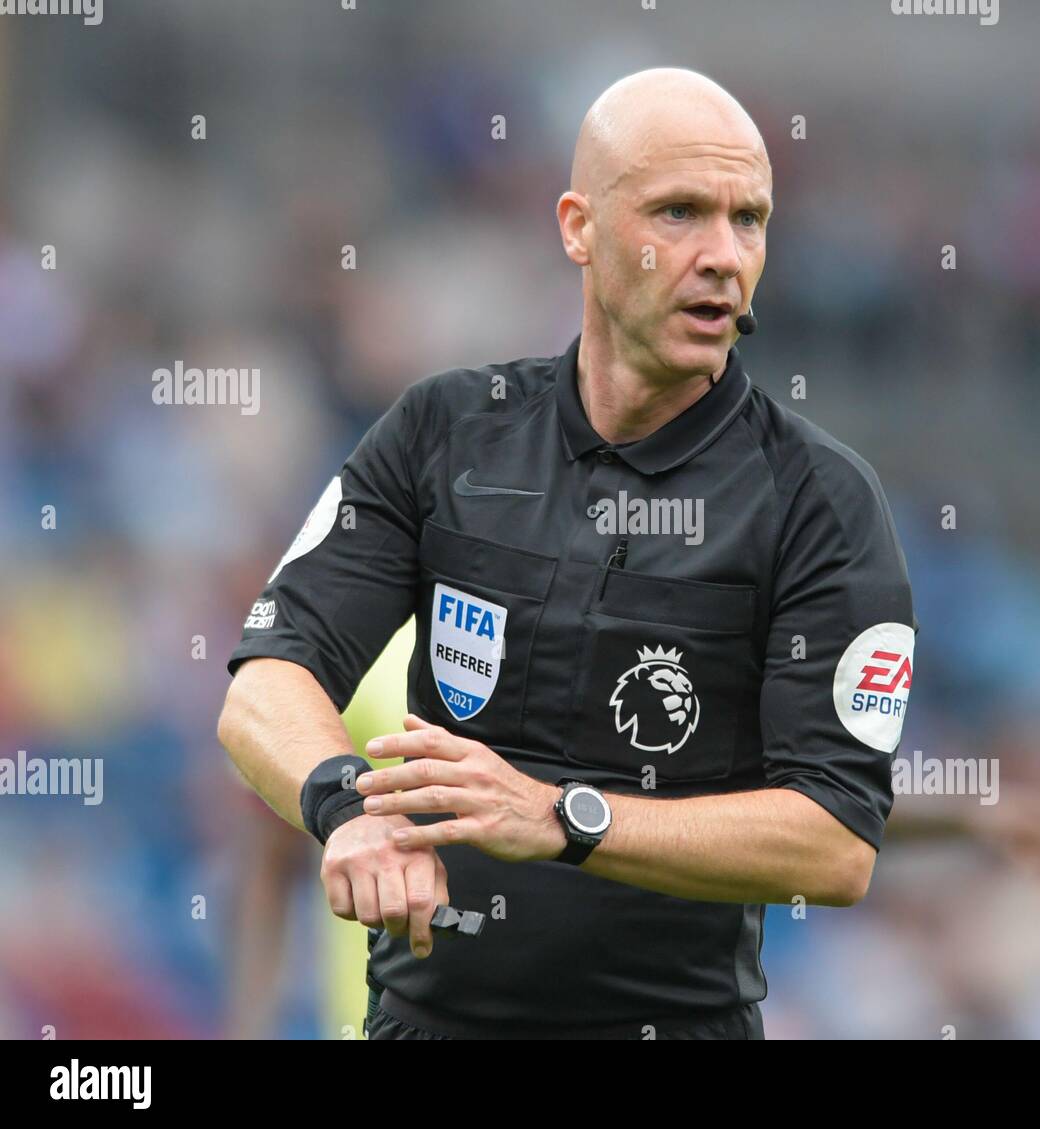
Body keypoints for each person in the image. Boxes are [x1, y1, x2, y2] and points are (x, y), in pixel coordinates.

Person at [217, 66, 916, 1040]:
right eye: (678, 212)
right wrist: (347, 808)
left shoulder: (819, 501)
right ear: (578, 227)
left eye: (747, 219)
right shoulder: (442, 433)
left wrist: (563, 816)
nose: (722, 255)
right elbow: (264, 681)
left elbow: (835, 841)